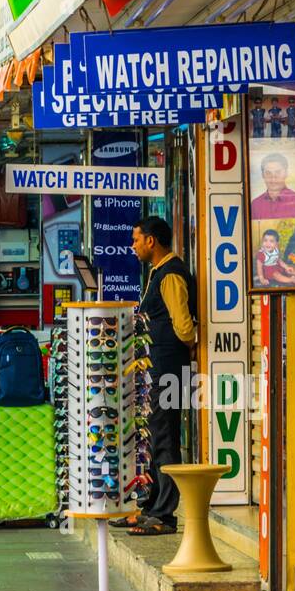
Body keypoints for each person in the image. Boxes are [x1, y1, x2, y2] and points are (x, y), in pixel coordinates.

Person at [113, 217, 197, 538]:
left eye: (137, 239)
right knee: (152, 440)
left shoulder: (171, 275)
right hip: (156, 369)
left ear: (151, 241)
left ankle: (166, 514)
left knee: (165, 437)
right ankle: (150, 507)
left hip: (169, 368)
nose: (133, 245)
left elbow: (184, 326)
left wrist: (187, 346)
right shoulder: (156, 272)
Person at [250, 153, 295, 219]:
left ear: (286, 173)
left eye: (278, 172)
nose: (273, 178)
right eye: (268, 173)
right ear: (262, 175)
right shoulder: (255, 205)